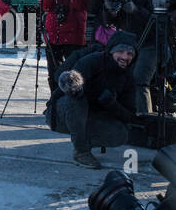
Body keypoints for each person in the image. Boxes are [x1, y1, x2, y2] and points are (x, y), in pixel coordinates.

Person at [49, 30, 138, 169]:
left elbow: (129, 115)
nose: (125, 57)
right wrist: (77, 89)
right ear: (111, 51)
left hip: (92, 116)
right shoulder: (93, 61)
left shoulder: (128, 77)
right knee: (78, 99)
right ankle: (81, 152)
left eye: (130, 54)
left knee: (120, 134)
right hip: (62, 114)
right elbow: (70, 84)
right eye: (120, 51)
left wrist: (112, 104)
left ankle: (84, 141)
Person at [40, 0, 93, 91]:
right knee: (53, 73)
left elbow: (81, 5)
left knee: (74, 74)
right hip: (55, 35)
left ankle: (73, 100)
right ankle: (54, 102)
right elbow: (46, 6)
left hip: (73, 37)